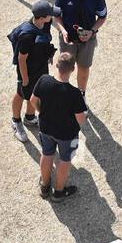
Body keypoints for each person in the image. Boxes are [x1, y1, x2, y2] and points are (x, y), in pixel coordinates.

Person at [32, 52, 88, 201]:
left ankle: (44, 186)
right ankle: (58, 192)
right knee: (65, 160)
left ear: (57, 65)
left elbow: (33, 100)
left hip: (45, 128)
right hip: (67, 135)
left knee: (47, 153)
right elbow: (81, 120)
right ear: (73, 69)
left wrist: (41, 111)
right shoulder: (75, 94)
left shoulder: (43, 80)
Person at [8, 0, 56, 142]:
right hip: (27, 70)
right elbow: (21, 59)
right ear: (41, 17)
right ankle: (16, 121)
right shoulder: (27, 36)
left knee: (37, 92)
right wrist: (25, 78)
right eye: (49, 14)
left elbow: (44, 40)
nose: (51, 17)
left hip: (40, 65)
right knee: (21, 93)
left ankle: (29, 117)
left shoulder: (45, 23)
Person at [53, 0, 106, 93]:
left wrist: (92, 31)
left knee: (84, 67)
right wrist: (63, 30)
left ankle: (81, 94)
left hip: (88, 40)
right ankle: (63, 92)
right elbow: (57, 15)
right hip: (68, 39)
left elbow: (102, 17)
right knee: (65, 67)